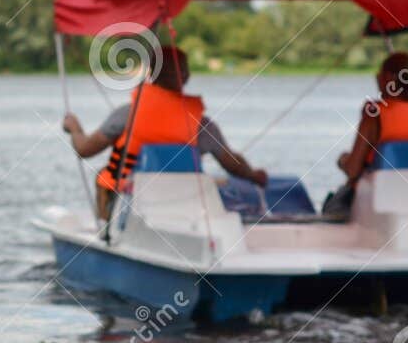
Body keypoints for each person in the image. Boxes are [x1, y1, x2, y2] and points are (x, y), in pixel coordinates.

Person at [62, 44, 269, 222]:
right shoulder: (202, 125)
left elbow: (84, 149)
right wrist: (253, 175)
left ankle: (108, 231)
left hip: (138, 199)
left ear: (152, 73)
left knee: (104, 176)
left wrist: (75, 128)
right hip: (185, 200)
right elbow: (231, 163)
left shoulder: (127, 114)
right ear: (186, 77)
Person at [325, 50, 408, 216]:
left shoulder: (375, 115)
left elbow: (353, 170)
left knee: (332, 204)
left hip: (375, 203)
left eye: (379, 75)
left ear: (388, 78)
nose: (377, 79)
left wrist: (342, 160)